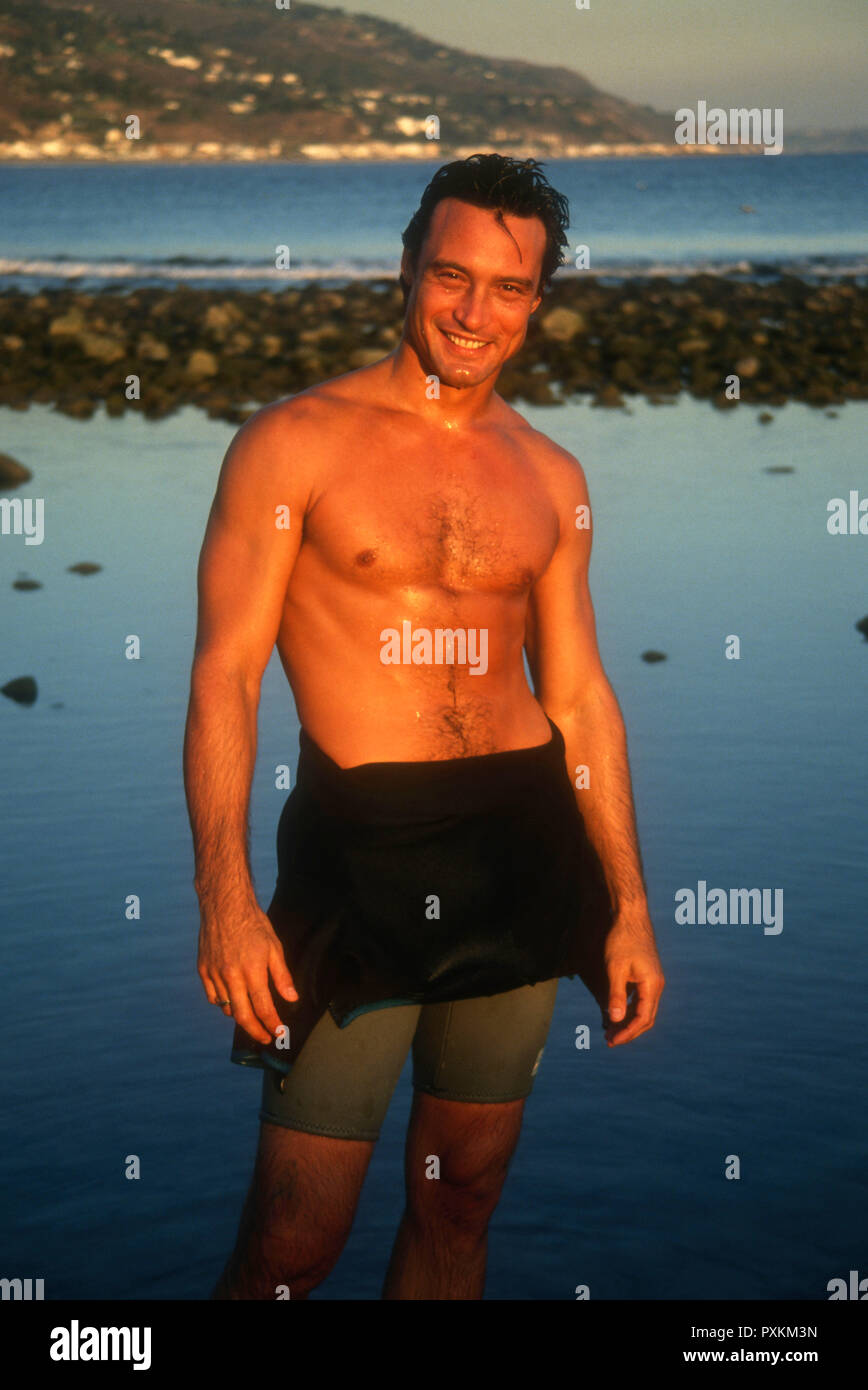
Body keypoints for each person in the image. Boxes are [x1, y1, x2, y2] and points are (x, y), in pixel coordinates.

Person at [183, 153, 664, 1301]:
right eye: (452, 276)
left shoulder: (550, 474)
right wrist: (224, 898)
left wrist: (629, 903)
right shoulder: (292, 443)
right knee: (294, 1242)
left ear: (537, 301)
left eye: (507, 289)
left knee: (461, 1201)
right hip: (359, 856)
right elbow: (224, 676)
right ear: (405, 270)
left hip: (519, 849)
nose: (473, 312)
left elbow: (583, 696)